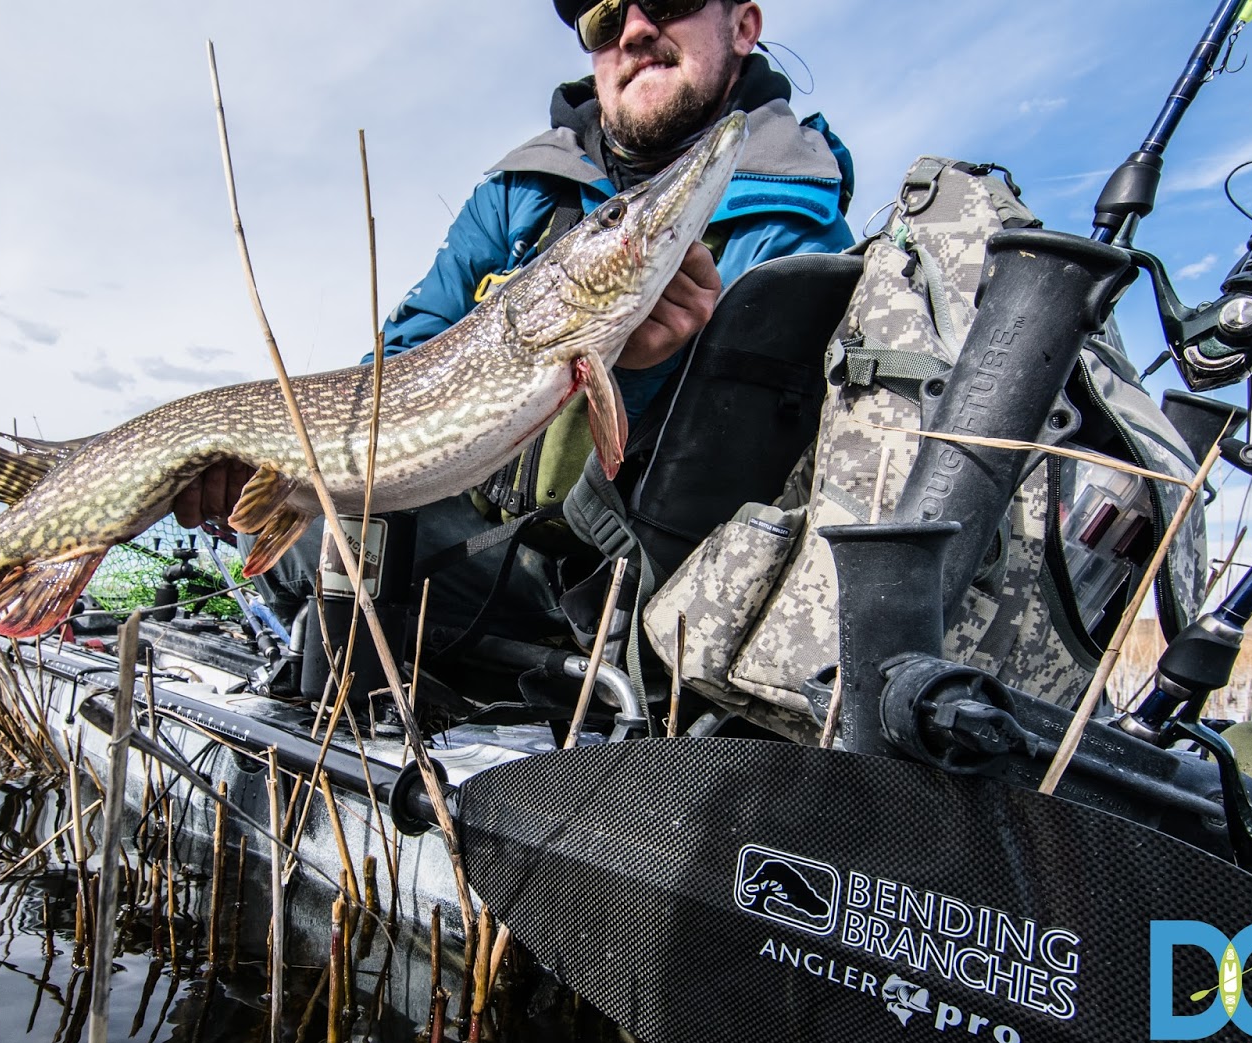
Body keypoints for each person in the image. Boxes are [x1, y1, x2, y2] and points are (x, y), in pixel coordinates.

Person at [173, 0, 854, 639]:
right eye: (604, 16)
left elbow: (750, 485)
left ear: (743, 26)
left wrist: (648, 371)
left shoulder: (799, 234)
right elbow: (401, 364)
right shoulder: (521, 190)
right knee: (319, 542)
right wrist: (281, 471)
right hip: (476, 542)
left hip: (636, 586)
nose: (635, 29)